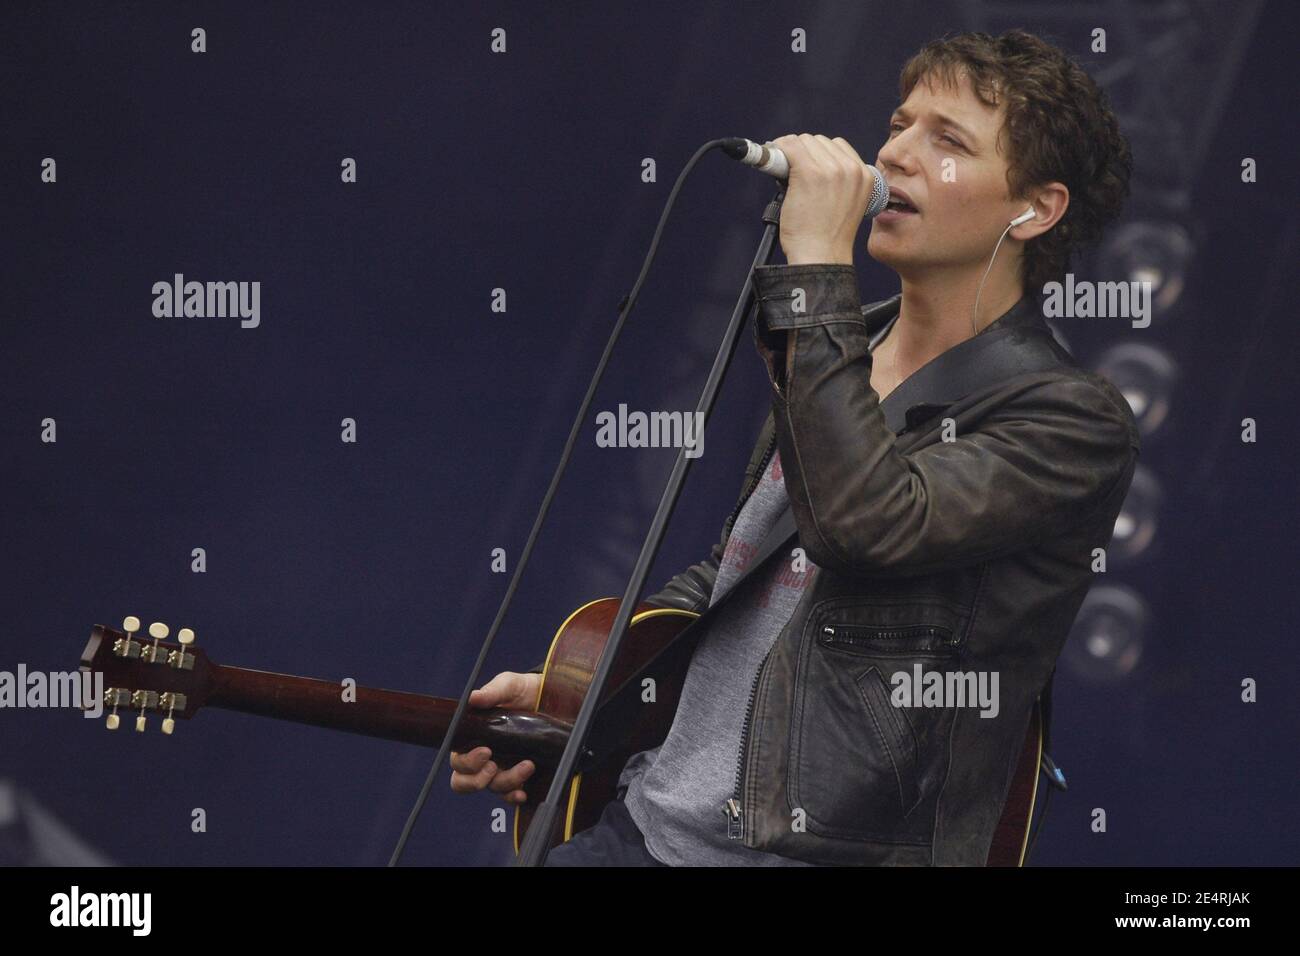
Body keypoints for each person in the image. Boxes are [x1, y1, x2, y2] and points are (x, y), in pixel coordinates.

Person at [451, 29, 1139, 866]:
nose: (897, 152)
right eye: (900, 123)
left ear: (1036, 208)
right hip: (646, 831)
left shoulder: (1067, 418)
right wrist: (590, 697)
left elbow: (863, 526)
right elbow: (753, 567)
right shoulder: (849, 340)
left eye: (948, 140)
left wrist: (816, 262)